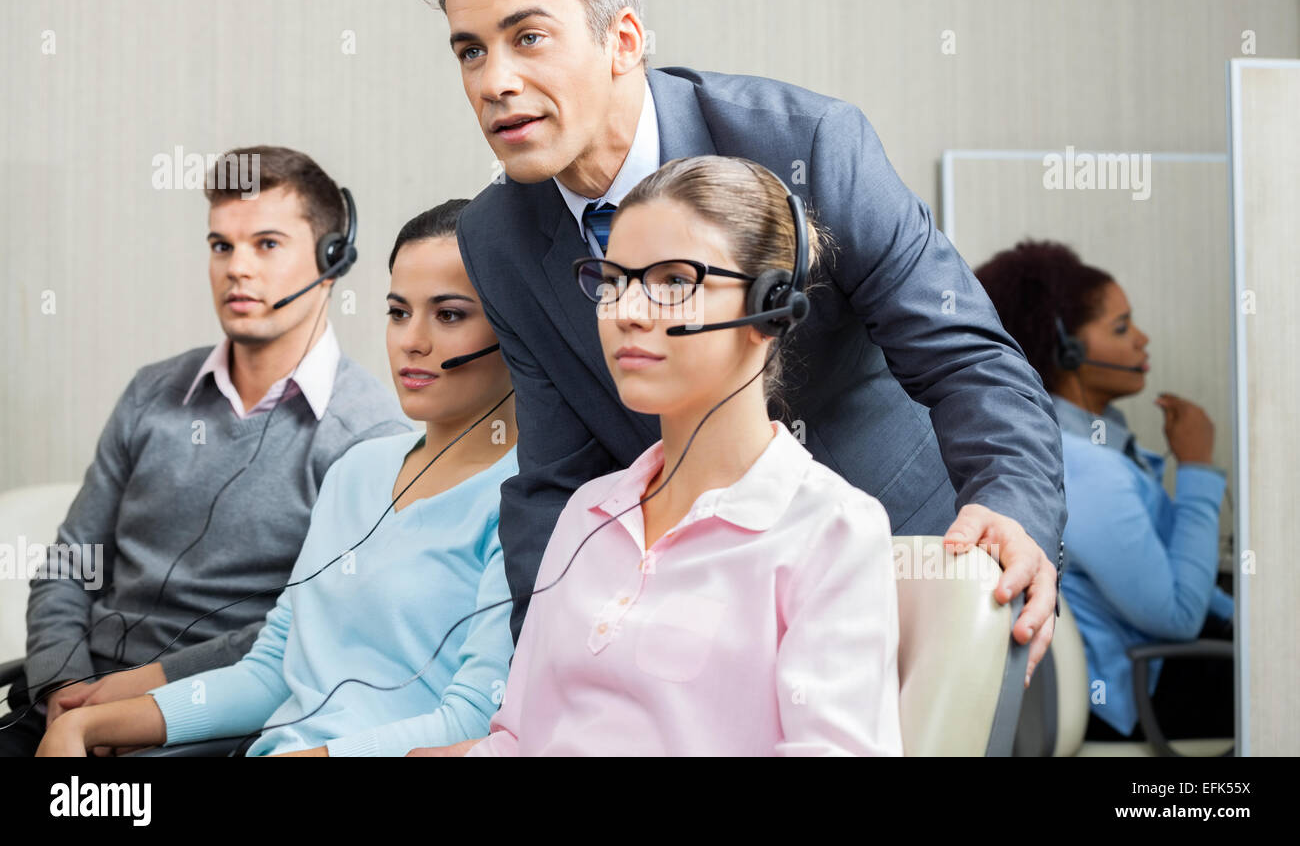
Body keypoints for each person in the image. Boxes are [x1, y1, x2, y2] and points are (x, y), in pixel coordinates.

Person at [408, 0, 1067, 684]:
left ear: (623, 40)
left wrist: (1009, 502)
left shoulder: (810, 146)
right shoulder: (497, 236)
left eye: (528, 37)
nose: (492, 82)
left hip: (914, 580)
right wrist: (544, 689)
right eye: (470, 49)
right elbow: (558, 479)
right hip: (703, 632)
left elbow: (969, 359)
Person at [411, 156, 901, 757]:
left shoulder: (830, 530)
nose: (626, 311)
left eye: (673, 282)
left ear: (771, 307)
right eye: (613, 281)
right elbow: (519, 737)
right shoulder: (589, 512)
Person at [36, 200, 519, 757]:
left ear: (517, 326)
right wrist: (90, 726)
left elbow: (473, 719)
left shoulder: (526, 500)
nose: (412, 340)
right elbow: (271, 671)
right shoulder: (358, 471)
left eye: (450, 314)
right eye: (397, 311)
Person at [0, 147, 409, 757]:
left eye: (267, 244)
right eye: (221, 246)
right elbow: (69, 566)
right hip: (72, 704)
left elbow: (306, 635)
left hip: (203, 726)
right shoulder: (151, 393)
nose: (236, 268)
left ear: (331, 259)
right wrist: (65, 683)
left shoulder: (369, 438)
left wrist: (130, 710)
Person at [975, 239, 1233, 741]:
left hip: (1142, 679)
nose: (1143, 339)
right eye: (1121, 327)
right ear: (1065, 349)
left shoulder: (1069, 440)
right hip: (1136, 700)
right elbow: (1178, 616)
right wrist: (1199, 466)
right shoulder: (1087, 465)